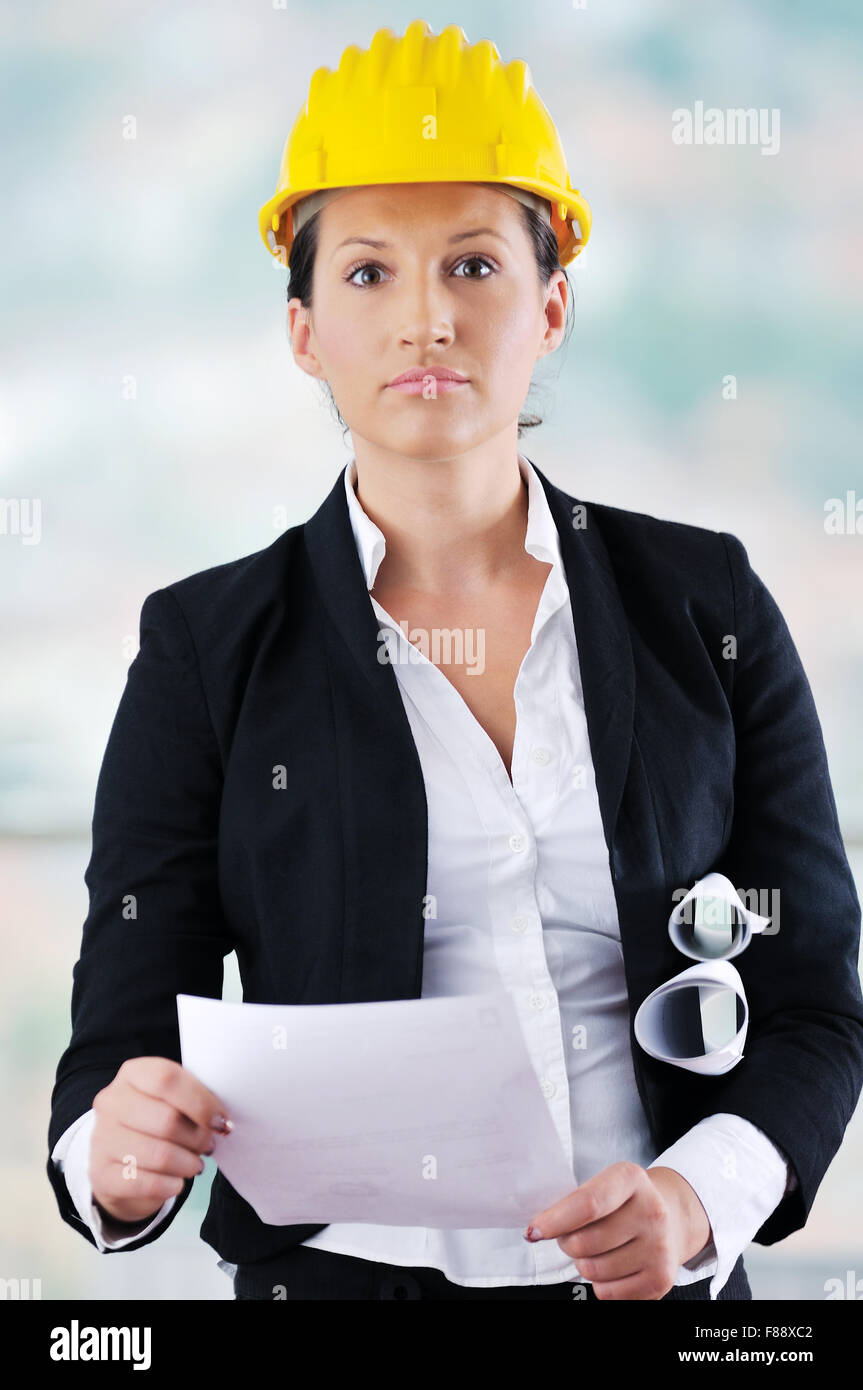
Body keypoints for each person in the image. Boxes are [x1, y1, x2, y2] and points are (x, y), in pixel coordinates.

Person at [47, 18, 863, 1303]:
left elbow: (813, 996)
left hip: (658, 1298)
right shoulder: (204, 647)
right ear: (304, 330)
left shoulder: (706, 604)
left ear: (547, 307)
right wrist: (116, 1152)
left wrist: (694, 1199)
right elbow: (122, 1035)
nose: (426, 316)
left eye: (473, 265)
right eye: (367, 274)